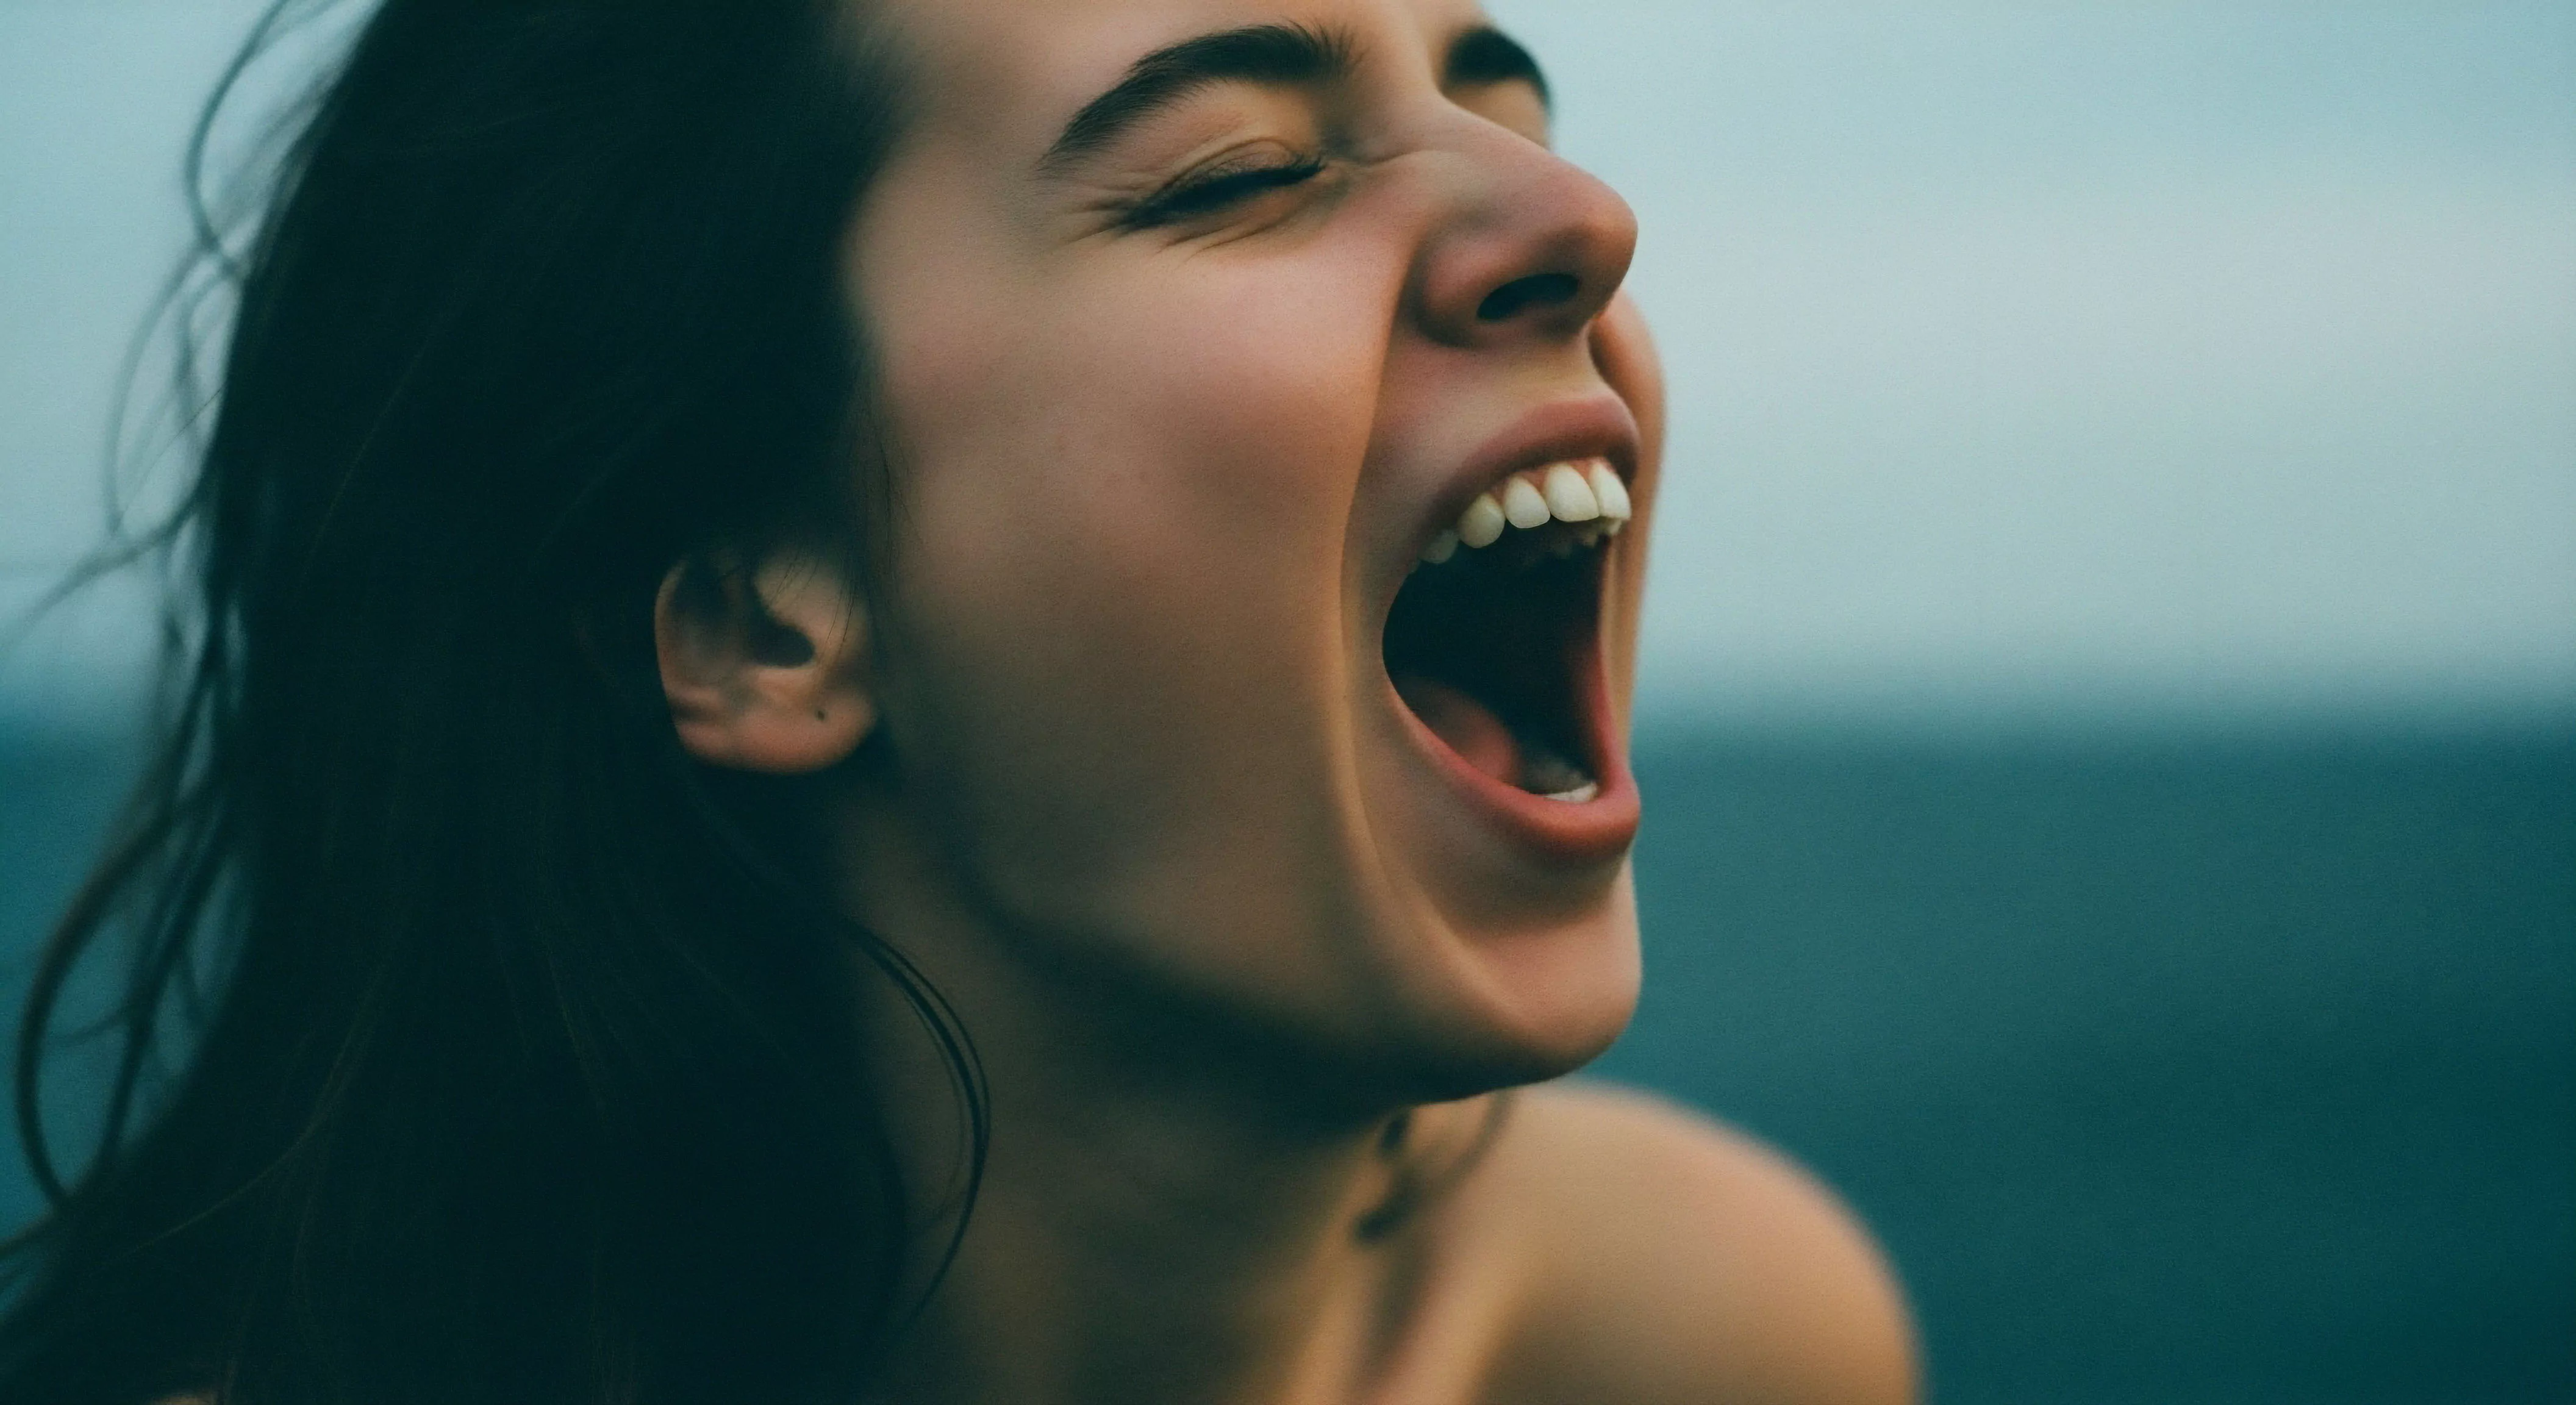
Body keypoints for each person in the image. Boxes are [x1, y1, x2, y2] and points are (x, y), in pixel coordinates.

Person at [0, 2, 1916, 1401]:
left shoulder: (1707, 1340)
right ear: (760, 617)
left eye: (1506, 102)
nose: (1582, 214)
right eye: (1240, 173)